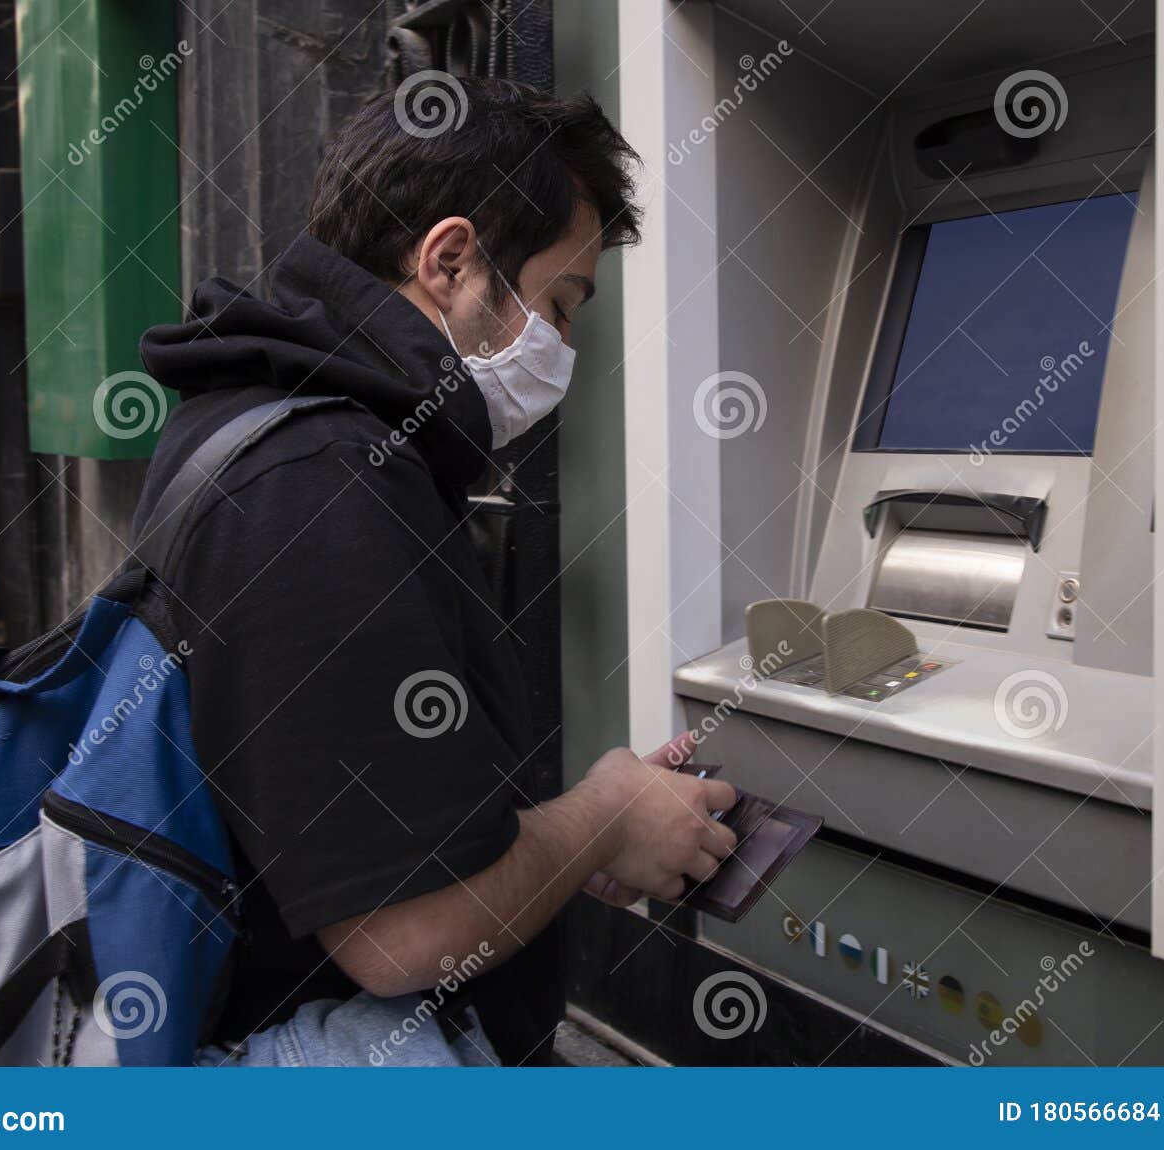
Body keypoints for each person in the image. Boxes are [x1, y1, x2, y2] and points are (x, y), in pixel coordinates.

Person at [134, 77, 736, 1067]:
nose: (564, 345)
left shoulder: (262, 418)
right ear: (451, 261)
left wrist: (568, 834)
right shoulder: (323, 483)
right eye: (558, 303)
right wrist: (606, 820)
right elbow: (402, 935)